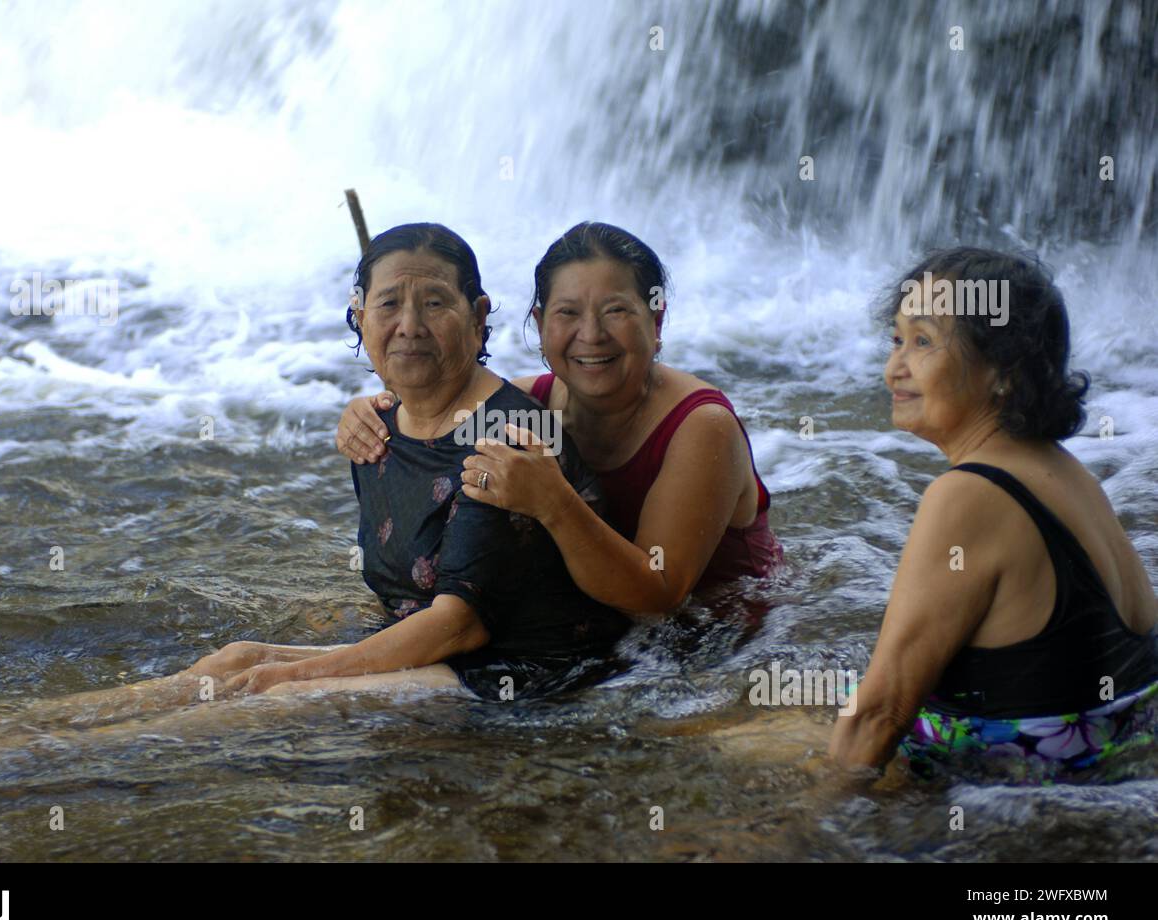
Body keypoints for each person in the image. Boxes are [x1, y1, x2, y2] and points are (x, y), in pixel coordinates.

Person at [0, 223, 630, 746]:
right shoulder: (380, 426)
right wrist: (282, 659)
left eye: (436, 302)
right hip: (438, 656)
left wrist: (294, 672)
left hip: (520, 679)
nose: (411, 324)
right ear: (357, 317)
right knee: (234, 658)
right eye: (389, 303)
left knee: (266, 692)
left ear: (480, 313)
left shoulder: (505, 436)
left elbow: (459, 624)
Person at [338, 222, 782, 617]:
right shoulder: (530, 405)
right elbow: (432, 414)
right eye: (567, 313)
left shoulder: (700, 425)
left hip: (725, 634)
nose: (591, 334)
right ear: (539, 323)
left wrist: (554, 504)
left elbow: (659, 595)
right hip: (608, 639)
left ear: (657, 319)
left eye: (616, 311)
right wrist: (373, 412)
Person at [829, 247, 1158, 779]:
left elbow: (880, 714)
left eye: (923, 341)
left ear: (1003, 370)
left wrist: (807, 832)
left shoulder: (969, 495)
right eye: (896, 340)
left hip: (998, 799)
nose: (895, 368)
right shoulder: (1070, 475)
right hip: (1103, 781)